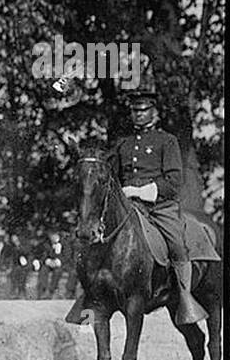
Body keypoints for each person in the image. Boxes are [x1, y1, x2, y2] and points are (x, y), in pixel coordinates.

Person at [65, 79, 206, 325]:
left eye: (143, 110)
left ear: (155, 112)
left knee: (176, 244)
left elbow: (173, 182)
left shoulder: (167, 141)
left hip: (159, 207)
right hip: (128, 206)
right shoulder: (123, 144)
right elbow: (110, 179)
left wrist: (143, 191)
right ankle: (88, 295)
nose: (138, 115)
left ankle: (184, 296)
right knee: (92, 244)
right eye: (134, 110)